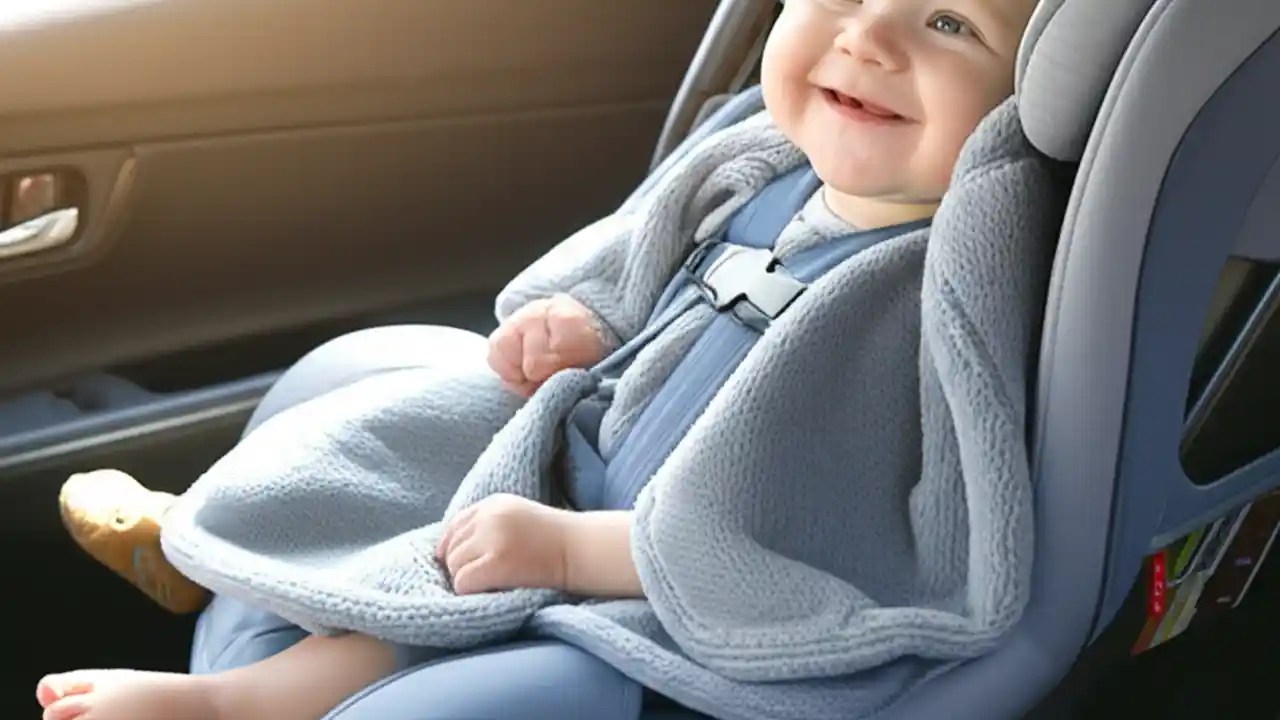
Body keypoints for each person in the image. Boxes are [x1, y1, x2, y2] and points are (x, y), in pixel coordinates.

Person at [37, 0, 1039, 718]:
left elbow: (839, 530)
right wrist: (582, 322)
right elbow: (631, 253)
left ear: (1023, 99)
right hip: (581, 445)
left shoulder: (934, 285)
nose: (867, 34)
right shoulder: (760, 163)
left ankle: (233, 682)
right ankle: (224, 574)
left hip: (670, 572)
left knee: (476, 602)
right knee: (399, 426)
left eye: (948, 24)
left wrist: (570, 552)